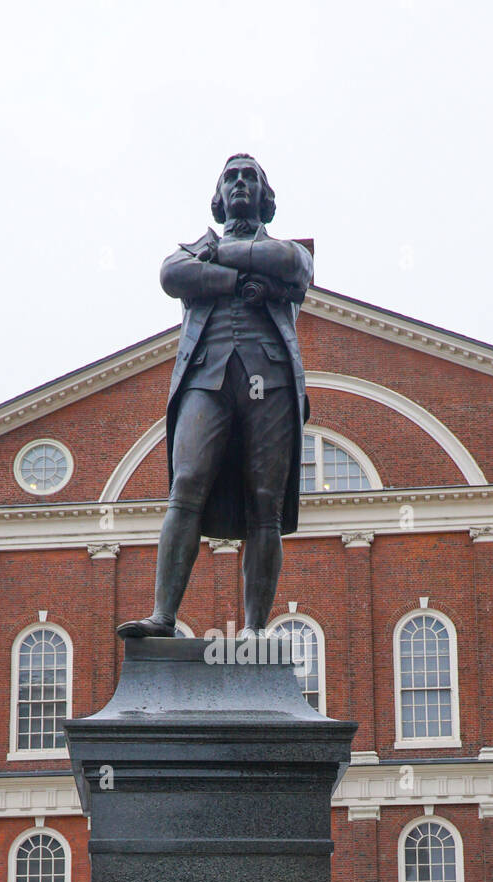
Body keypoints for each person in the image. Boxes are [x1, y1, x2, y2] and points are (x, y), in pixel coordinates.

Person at [117, 154, 313, 640]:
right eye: (232, 177)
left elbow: (292, 264)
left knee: (264, 501)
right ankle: (164, 617)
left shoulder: (283, 250)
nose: (241, 183)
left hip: (270, 380)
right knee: (185, 484)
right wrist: (241, 282)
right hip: (206, 378)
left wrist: (219, 260)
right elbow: (171, 276)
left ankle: (253, 629)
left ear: (265, 198)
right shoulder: (191, 253)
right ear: (219, 196)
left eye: (250, 177)